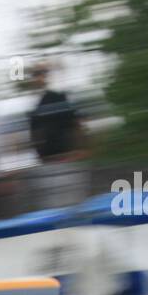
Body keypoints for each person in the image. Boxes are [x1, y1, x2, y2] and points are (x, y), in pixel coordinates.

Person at [26, 63, 88, 209]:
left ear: (46, 76)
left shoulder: (58, 98)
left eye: (41, 74)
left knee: (74, 203)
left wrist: (80, 150)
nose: (38, 78)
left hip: (66, 157)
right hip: (49, 162)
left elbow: (76, 123)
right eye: (36, 75)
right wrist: (40, 157)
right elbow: (34, 136)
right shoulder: (35, 107)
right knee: (56, 205)